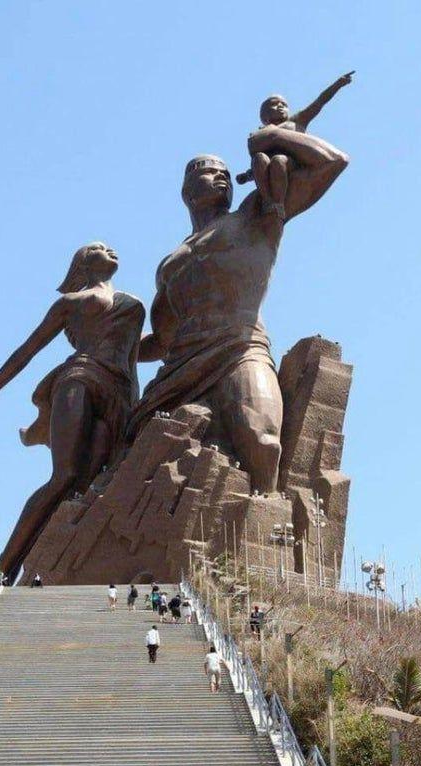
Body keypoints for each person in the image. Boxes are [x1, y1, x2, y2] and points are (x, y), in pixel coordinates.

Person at [129, 129, 349, 495]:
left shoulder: (255, 214)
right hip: (180, 367)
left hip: (240, 347)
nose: (221, 176)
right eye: (208, 170)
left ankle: (267, 538)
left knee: (262, 440)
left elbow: (333, 162)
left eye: (227, 174)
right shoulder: (170, 264)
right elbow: (162, 339)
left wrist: (270, 135)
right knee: (137, 459)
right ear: (187, 191)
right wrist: (107, 352)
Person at [0, 243, 146, 584]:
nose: (110, 249)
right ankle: (3, 567)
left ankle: (50, 565)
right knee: (65, 475)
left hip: (119, 394)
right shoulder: (70, 303)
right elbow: (26, 351)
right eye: (99, 248)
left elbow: (137, 353)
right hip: (80, 380)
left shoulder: (132, 305)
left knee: (90, 483)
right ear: (83, 265)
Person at [235, 72, 354, 219]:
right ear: (264, 115)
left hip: (291, 163)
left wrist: (337, 85)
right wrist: (247, 176)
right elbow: (258, 165)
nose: (280, 106)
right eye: (274, 104)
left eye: (283, 105)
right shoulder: (260, 134)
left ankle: (278, 203)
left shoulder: (296, 121)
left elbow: (319, 103)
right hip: (267, 166)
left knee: (279, 160)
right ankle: (268, 200)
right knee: (260, 158)